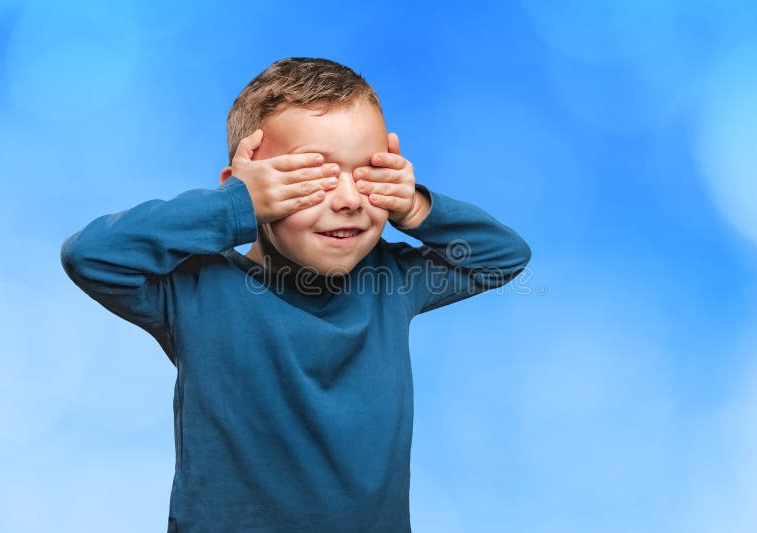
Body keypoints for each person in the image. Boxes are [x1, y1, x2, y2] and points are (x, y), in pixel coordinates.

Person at [60, 56, 532, 533]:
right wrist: (236, 204)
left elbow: (503, 255)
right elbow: (92, 255)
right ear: (244, 187)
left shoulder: (389, 280)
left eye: (369, 174)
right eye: (312, 178)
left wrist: (414, 205)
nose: (347, 199)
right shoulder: (193, 289)